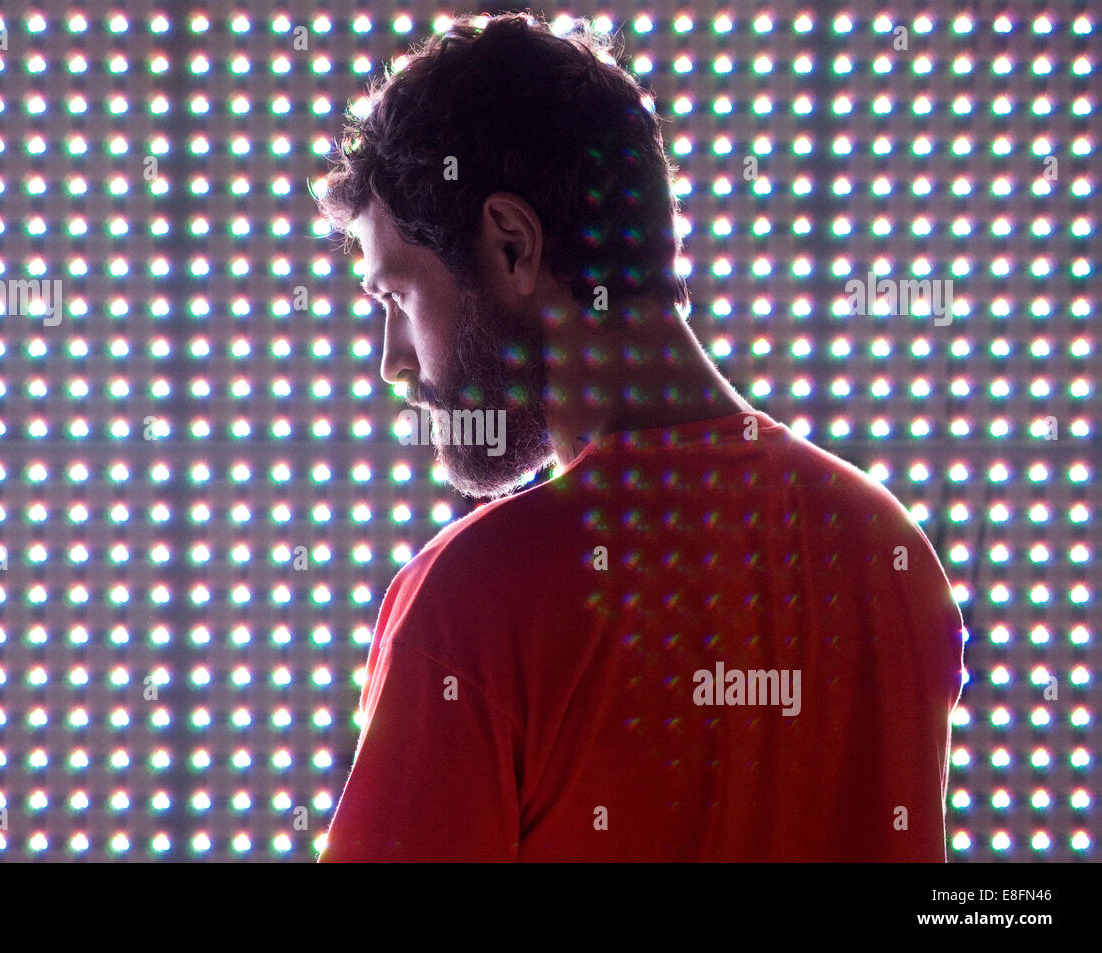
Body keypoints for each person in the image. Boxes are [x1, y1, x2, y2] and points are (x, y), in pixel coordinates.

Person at [312, 12, 965, 861]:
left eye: (396, 298)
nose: (394, 362)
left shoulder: (472, 605)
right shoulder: (889, 558)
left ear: (512, 244)